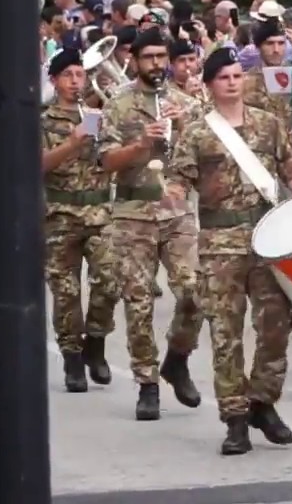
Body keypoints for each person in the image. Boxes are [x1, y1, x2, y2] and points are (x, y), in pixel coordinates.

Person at [169, 48, 292, 455]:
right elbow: (179, 181)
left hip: (268, 240)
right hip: (219, 244)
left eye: (237, 75)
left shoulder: (268, 125)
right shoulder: (198, 132)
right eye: (224, 77)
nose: (233, 82)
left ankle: (263, 402)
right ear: (211, 84)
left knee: (274, 328)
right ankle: (235, 419)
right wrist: (170, 202)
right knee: (225, 333)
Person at [99, 27, 204, 420]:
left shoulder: (185, 103)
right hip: (132, 215)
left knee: (196, 292)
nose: (157, 64)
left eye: (163, 57)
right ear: (135, 59)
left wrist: (184, 134)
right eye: (150, 58)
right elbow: (105, 162)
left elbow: (203, 157)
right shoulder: (118, 104)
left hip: (177, 214)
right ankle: (147, 383)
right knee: (138, 302)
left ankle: (177, 358)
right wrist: (141, 143)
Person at [40, 49, 116, 392]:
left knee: (110, 279)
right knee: (66, 292)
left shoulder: (99, 115)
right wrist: (72, 142)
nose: (75, 81)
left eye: (79, 75)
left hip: (100, 213)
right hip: (59, 215)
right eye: (68, 75)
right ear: (54, 81)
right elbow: (37, 165)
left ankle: (95, 342)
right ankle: (72, 358)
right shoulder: (42, 120)